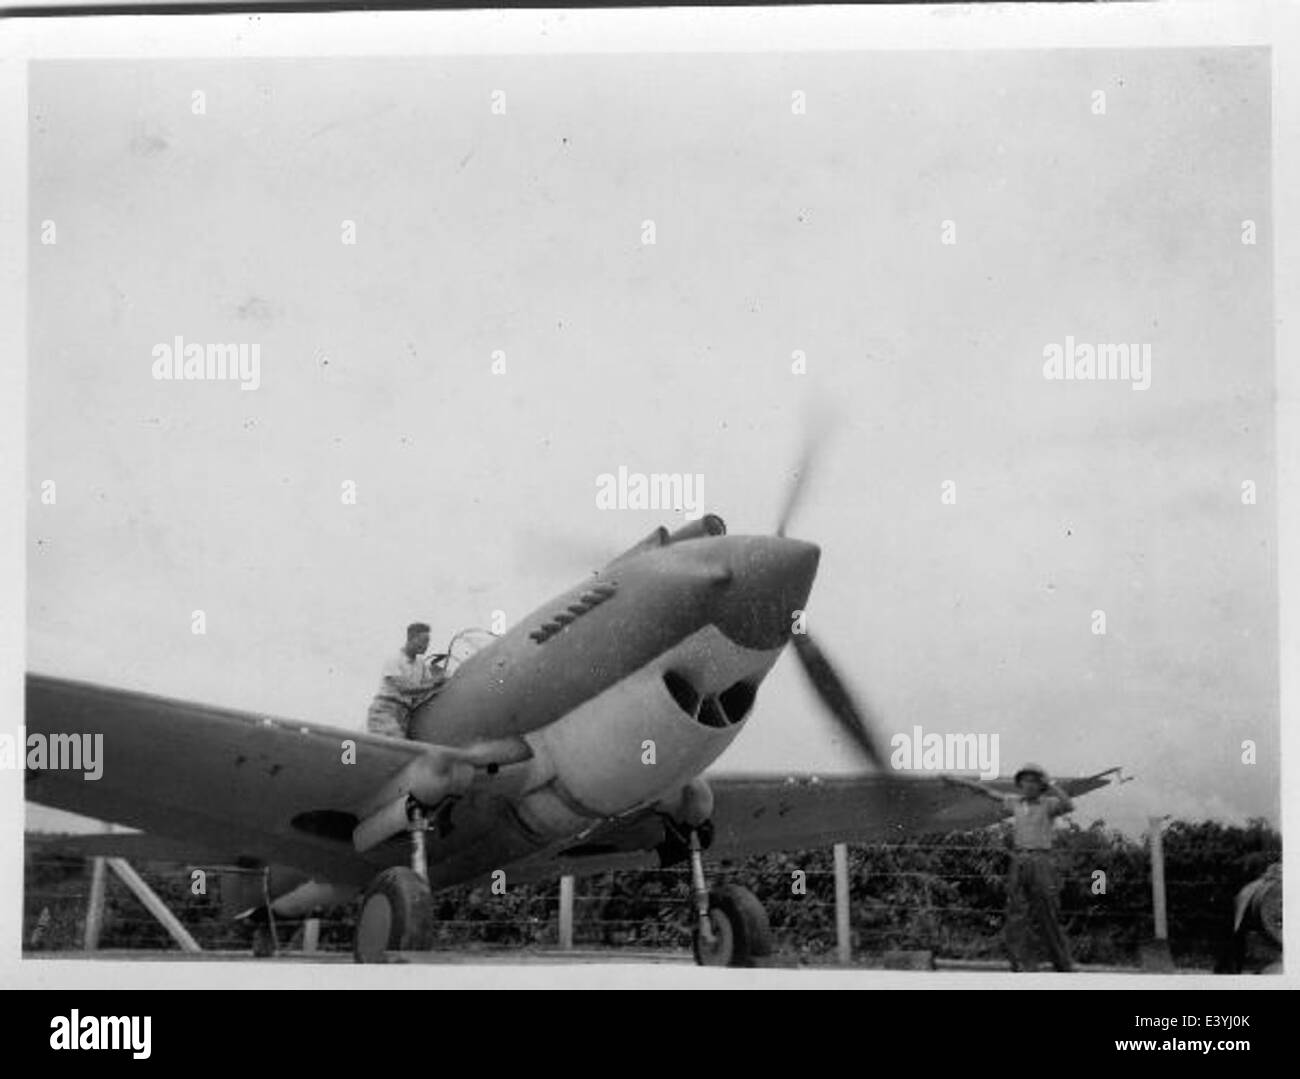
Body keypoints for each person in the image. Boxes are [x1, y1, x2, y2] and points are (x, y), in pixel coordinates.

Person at [944, 763, 1075, 972]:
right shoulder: (1014, 802)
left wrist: (1051, 783)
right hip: (1019, 859)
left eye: (1034, 781)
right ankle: (1021, 966)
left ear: (1040, 785)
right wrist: (957, 781)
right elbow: (986, 791)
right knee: (1016, 912)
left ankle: (1063, 965)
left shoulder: (1048, 803)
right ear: (1020, 784)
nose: (1029, 785)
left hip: (1040, 859)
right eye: (1025, 780)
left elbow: (1068, 805)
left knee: (1047, 912)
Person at [366, 622, 447, 739]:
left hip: (405, 715)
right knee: (396, 746)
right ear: (412, 638)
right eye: (424, 641)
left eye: (428, 642)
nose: (427, 645)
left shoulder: (421, 664)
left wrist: (442, 680)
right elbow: (404, 689)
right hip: (385, 711)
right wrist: (434, 683)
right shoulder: (395, 659)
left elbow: (428, 686)